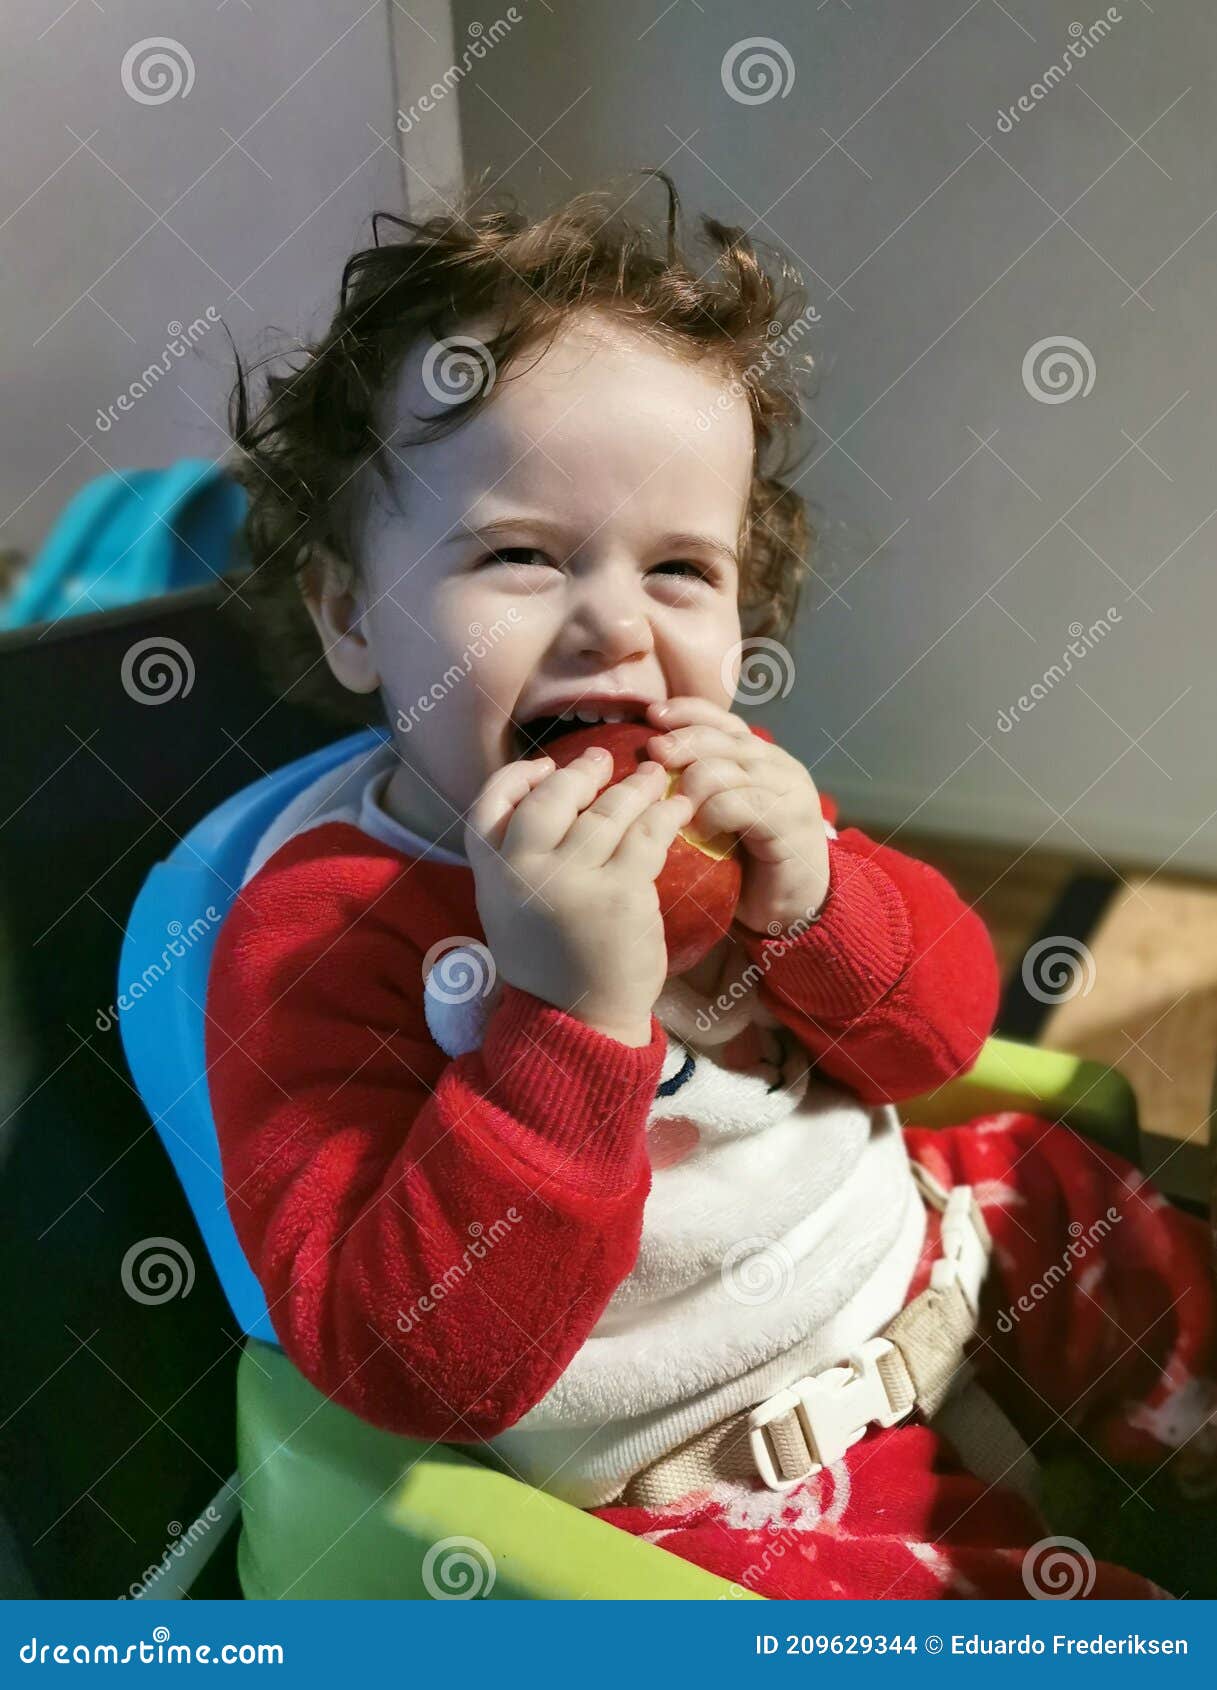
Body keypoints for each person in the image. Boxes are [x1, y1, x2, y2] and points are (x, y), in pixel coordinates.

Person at [205, 173, 1216, 1599]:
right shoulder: (319, 931)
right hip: (712, 1494)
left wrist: (813, 894)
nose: (615, 620)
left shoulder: (728, 803)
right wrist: (569, 1019)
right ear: (350, 613)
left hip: (918, 1248)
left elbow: (926, 1039)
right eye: (519, 555)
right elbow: (405, 1357)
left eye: (680, 568)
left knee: (1070, 1178)